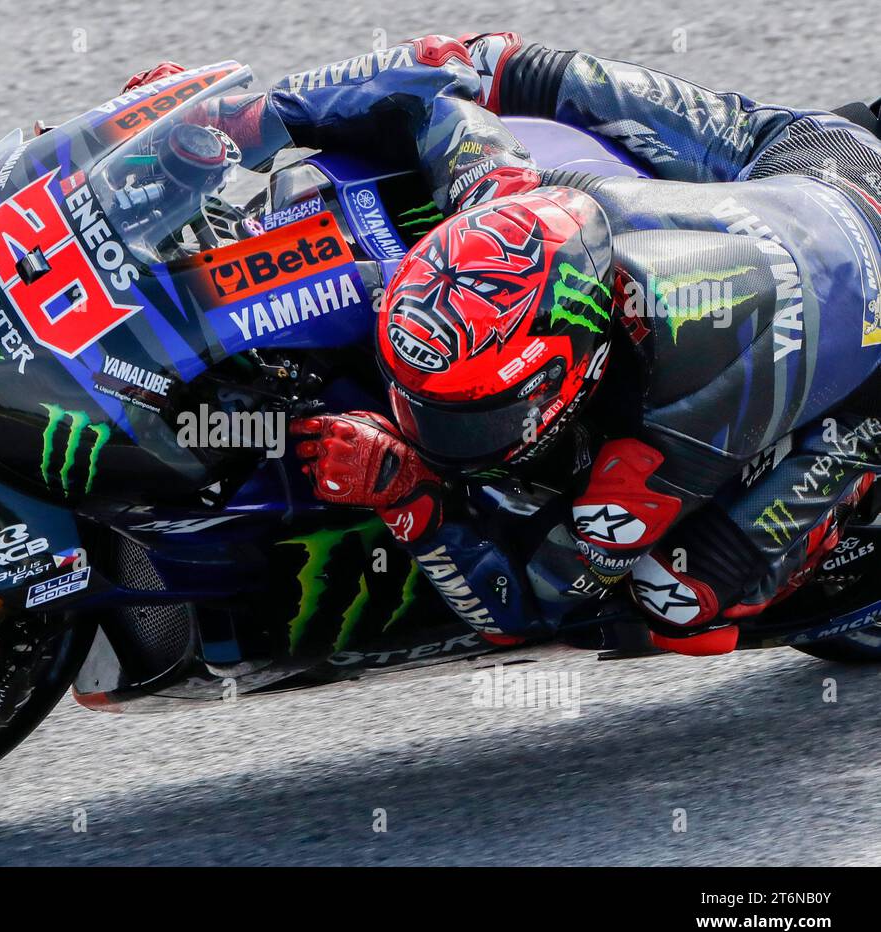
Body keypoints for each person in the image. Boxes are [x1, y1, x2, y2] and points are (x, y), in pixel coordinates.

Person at [123, 35, 881, 653]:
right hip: (815, 166)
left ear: (569, 381)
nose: (428, 431)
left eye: (464, 417)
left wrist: (407, 491)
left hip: (844, 341)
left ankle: (857, 478)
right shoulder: (505, 194)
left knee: (675, 599)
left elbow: (535, 602)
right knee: (496, 62)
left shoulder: (659, 447)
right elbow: (429, 88)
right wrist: (239, 120)